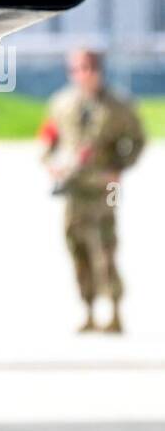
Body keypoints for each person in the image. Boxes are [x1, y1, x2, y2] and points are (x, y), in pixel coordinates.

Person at [40, 47, 146, 334]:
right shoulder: (61, 103)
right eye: (76, 69)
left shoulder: (118, 105)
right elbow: (48, 140)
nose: (82, 74)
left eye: (87, 68)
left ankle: (114, 311)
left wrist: (120, 167)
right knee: (76, 245)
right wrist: (51, 163)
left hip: (108, 185)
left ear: (98, 70)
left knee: (107, 246)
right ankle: (87, 309)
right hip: (73, 186)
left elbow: (137, 140)